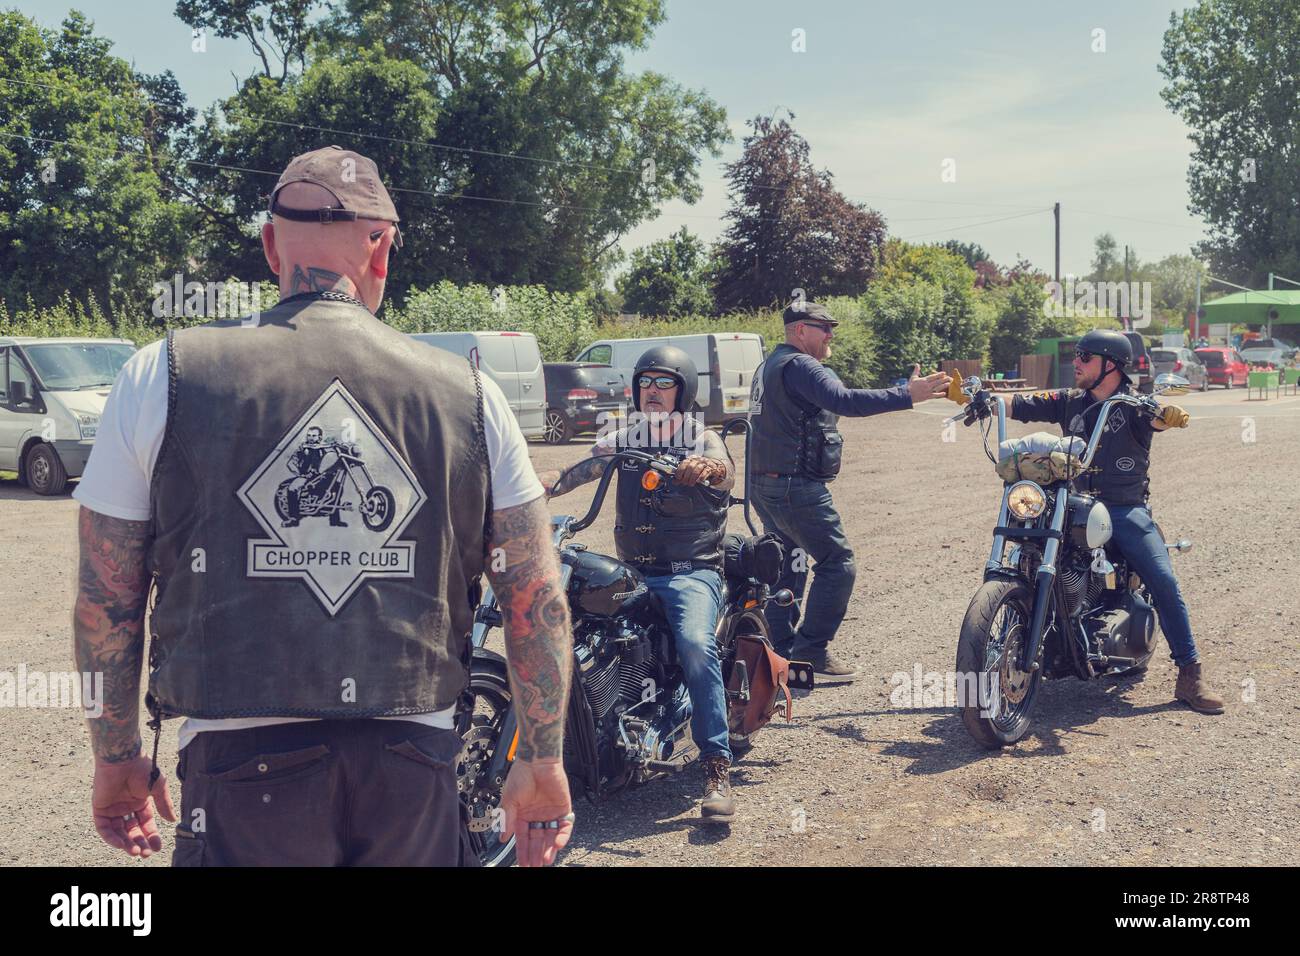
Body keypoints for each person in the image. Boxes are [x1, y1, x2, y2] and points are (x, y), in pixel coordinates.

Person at [71, 145, 575, 867]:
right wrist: (544, 761)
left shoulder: (165, 373)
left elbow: (104, 598)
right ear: (382, 249)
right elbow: (534, 596)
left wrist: (116, 756)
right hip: (413, 762)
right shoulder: (469, 393)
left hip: (237, 771)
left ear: (271, 245)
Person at [966, 328, 1225, 713]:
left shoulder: (1137, 407)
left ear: (1110, 366)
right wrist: (987, 399)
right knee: (1027, 542)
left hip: (1123, 508)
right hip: (1071, 502)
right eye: (1077, 355)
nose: (1077, 362)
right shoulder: (1070, 401)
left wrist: (1168, 416)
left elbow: (1159, 420)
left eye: (1085, 357)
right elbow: (1021, 403)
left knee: (1164, 579)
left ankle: (1190, 673)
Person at [536, 346, 739, 822]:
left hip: (690, 571)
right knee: (581, 628)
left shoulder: (700, 437)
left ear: (683, 391)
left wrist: (707, 469)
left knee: (694, 643)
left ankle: (716, 765)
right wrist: (543, 481)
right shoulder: (623, 439)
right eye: (646, 382)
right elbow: (579, 470)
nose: (652, 390)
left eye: (663, 383)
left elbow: (724, 470)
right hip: (636, 570)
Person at [746, 302, 952, 680]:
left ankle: (778, 649)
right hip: (794, 485)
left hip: (765, 483)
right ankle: (811, 652)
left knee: (788, 563)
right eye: (822, 327)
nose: (830, 334)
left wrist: (902, 389)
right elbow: (846, 401)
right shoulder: (801, 365)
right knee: (838, 564)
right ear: (799, 331)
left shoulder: (770, 365)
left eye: (831, 327)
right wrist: (908, 394)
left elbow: (825, 407)